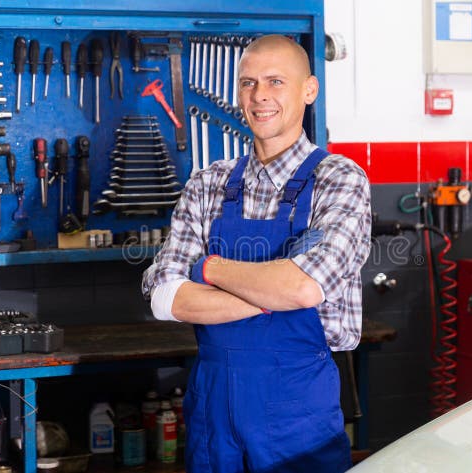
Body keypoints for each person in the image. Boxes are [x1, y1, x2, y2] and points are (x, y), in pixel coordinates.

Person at [142, 34, 371, 473]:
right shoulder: (207, 183)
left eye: (275, 81)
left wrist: (208, 268)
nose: (259, 95)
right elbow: (164, 297)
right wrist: (270, 293)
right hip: (213, 413)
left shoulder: (339, 179)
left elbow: (303, 288)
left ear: (309, 90)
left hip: (297, 418)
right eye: (248, 83)